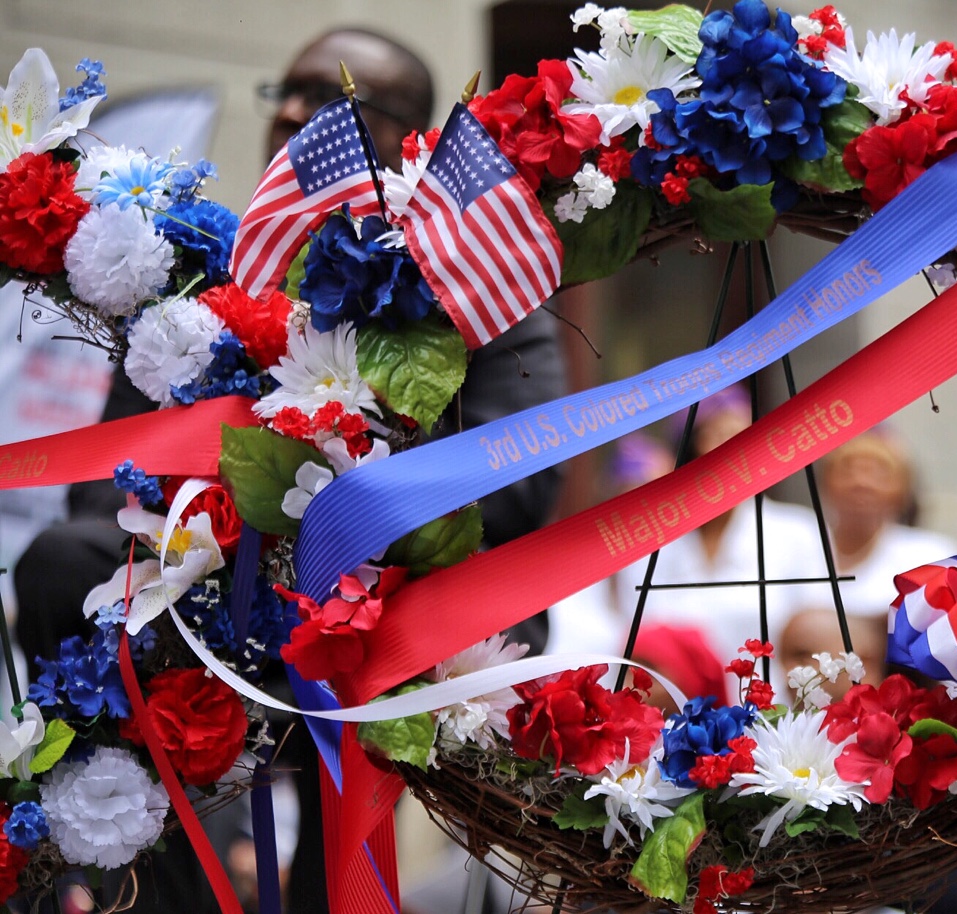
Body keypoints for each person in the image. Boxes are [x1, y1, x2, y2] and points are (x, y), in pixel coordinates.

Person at [13, 26, 567, 914]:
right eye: (287, 94)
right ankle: (168, 900)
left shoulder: (479, 286)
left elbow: (517, 481)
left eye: (330, 101)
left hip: (391, 594)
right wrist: (214, 536)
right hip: (209, 580)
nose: (293, 115)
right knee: (64, 560)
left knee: (362, 686)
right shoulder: (219, 276)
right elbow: (111, 469)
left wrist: (329, 510)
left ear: (407, 136)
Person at [614, 386, 830, 668]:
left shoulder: (799, 532)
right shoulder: (648, 547)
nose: (732, 451)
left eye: (744, 436)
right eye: (717, 436)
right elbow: (638, 647)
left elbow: (817, 641)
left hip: (772, 696)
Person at [793, 428, 957, 620]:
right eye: (847, 470)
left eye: (879, 474)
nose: (861, 482)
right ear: (825, 483)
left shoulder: (931, 555)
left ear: (902, 490)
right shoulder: (795, 543)